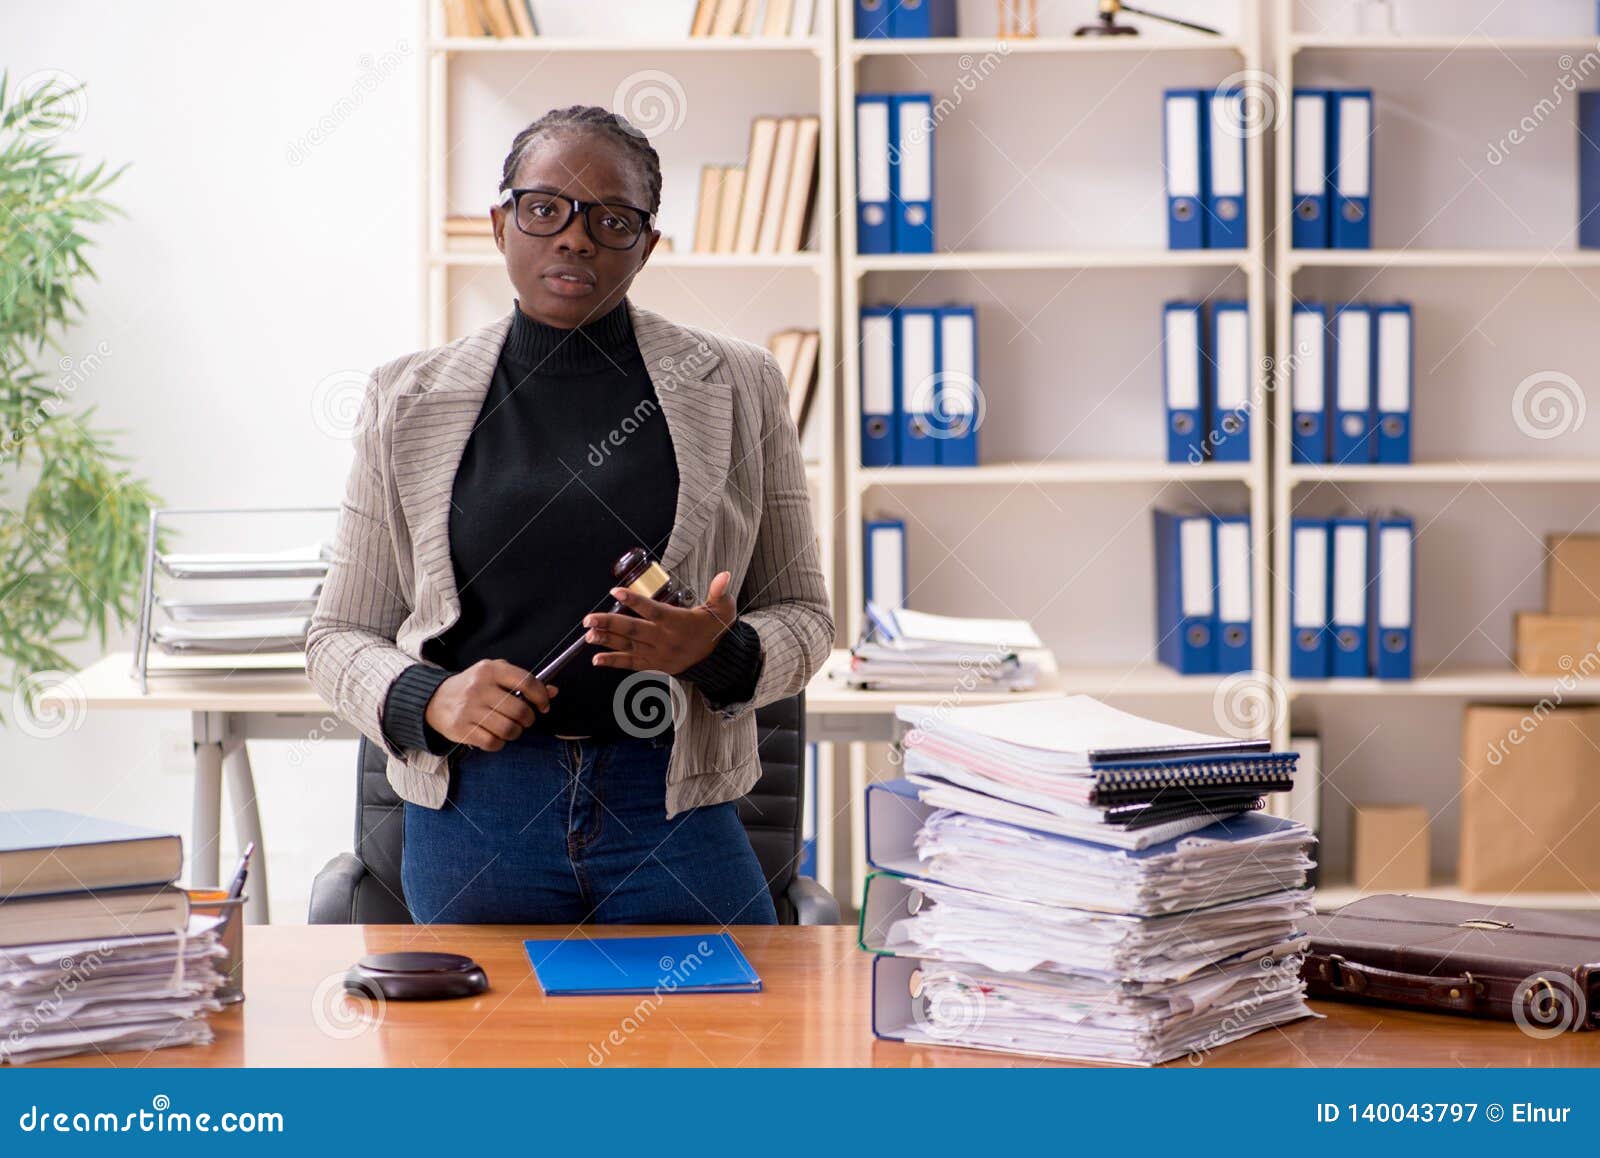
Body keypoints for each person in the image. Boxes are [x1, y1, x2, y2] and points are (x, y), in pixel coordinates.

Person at [306, 105, 833, 926]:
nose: (575, 239)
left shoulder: (739, 385)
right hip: (478, 808)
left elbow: (806, 617)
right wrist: (425, 699)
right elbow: (336, 633)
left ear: (647, 245)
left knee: (733, 1049)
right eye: (545, 208)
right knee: (481, 1052)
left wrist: (721, 654)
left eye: (611, 221)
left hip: (672, 806)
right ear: (501, 221)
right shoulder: (406, 398)